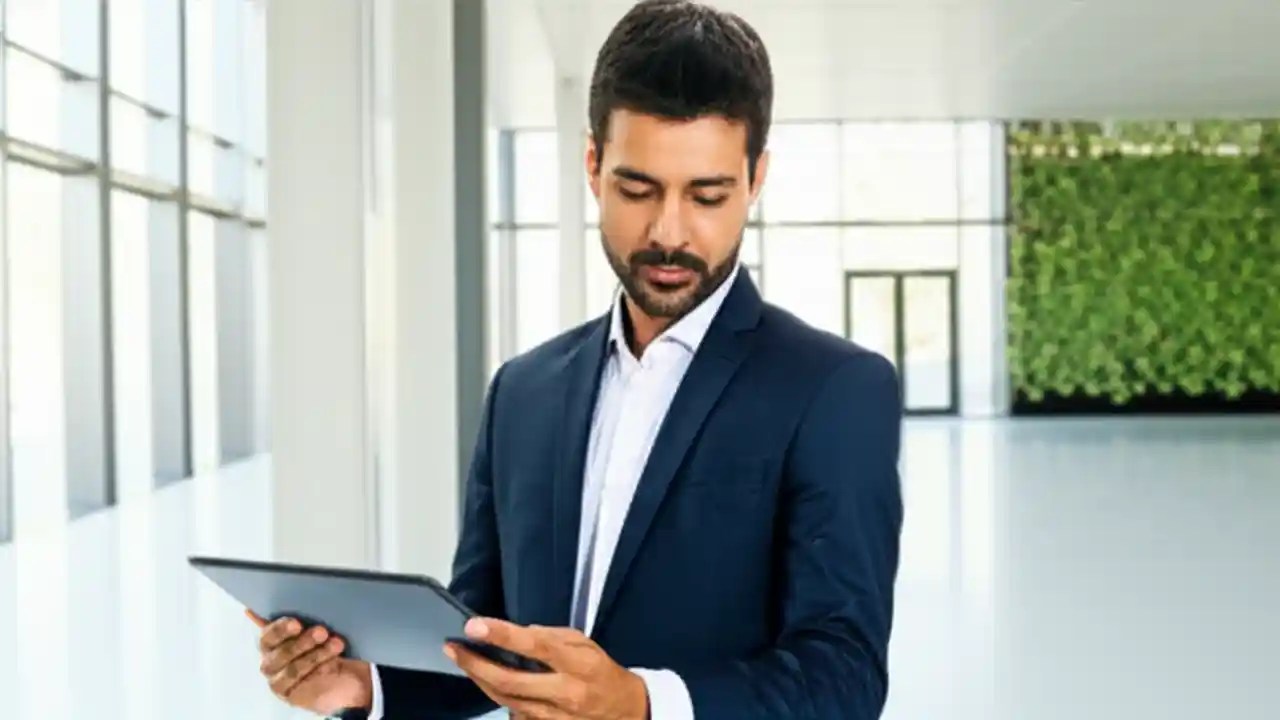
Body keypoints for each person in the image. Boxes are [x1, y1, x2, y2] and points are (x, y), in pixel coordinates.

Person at [251, 1, 903, 717]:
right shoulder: (522, 393)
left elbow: (843, 678)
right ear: (593, 165)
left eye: (708, 195)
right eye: (638, 188)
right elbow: (489, 641)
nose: (668, 231)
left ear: (756, 180)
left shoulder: (836, 390)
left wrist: (642, 704)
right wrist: (368, 686)